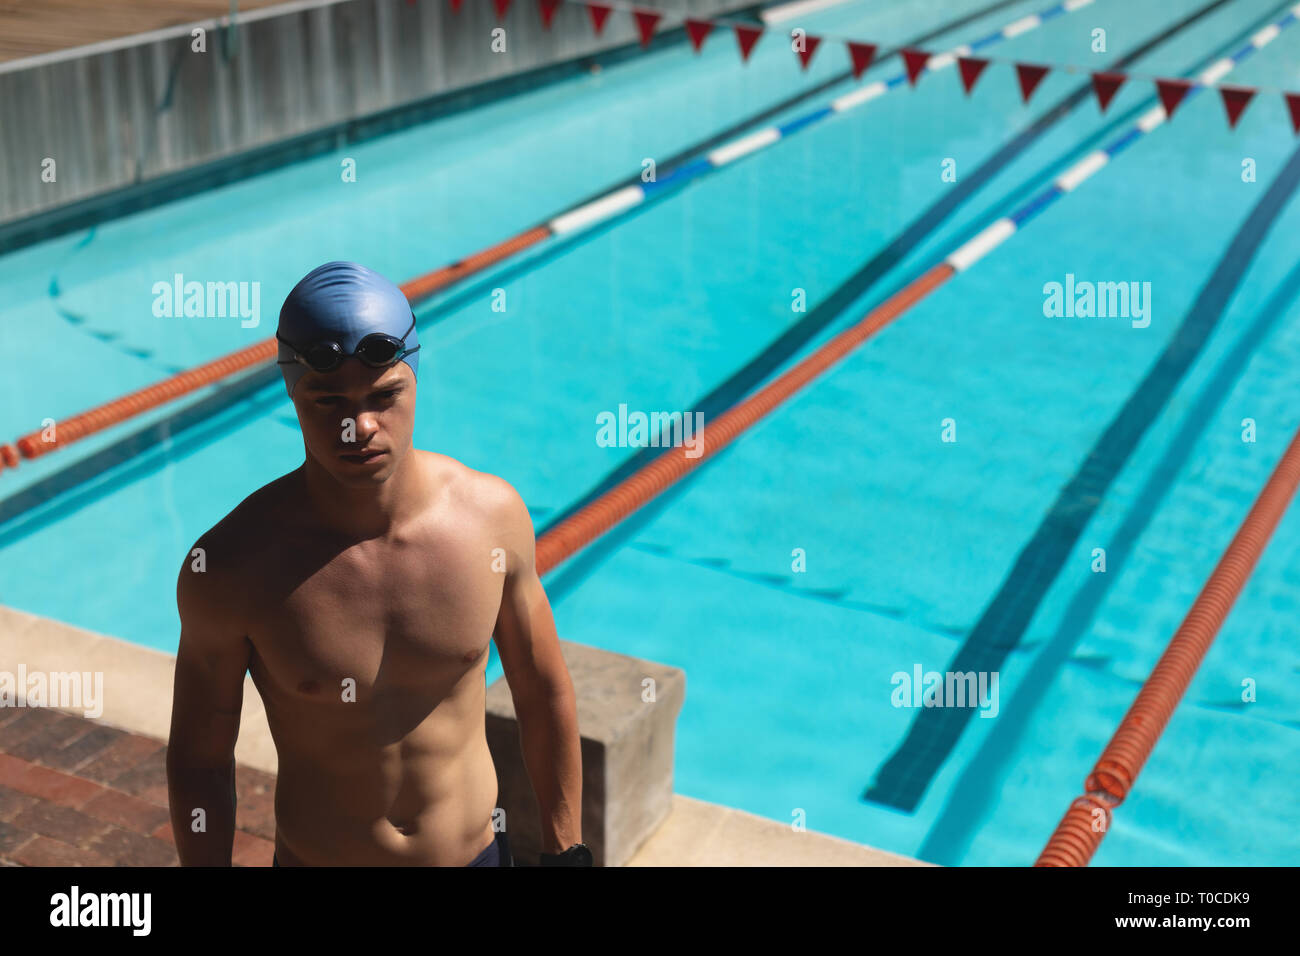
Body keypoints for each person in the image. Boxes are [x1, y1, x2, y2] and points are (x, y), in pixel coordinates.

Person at [166, 261, 590, 867]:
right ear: (291, 392)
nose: (359, 426)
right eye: (328, 400)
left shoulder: (490, 519)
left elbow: (542, 690)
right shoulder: (233, 566)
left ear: (415, 382)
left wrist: (565, 850)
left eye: (385, 396)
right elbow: (200, 759)